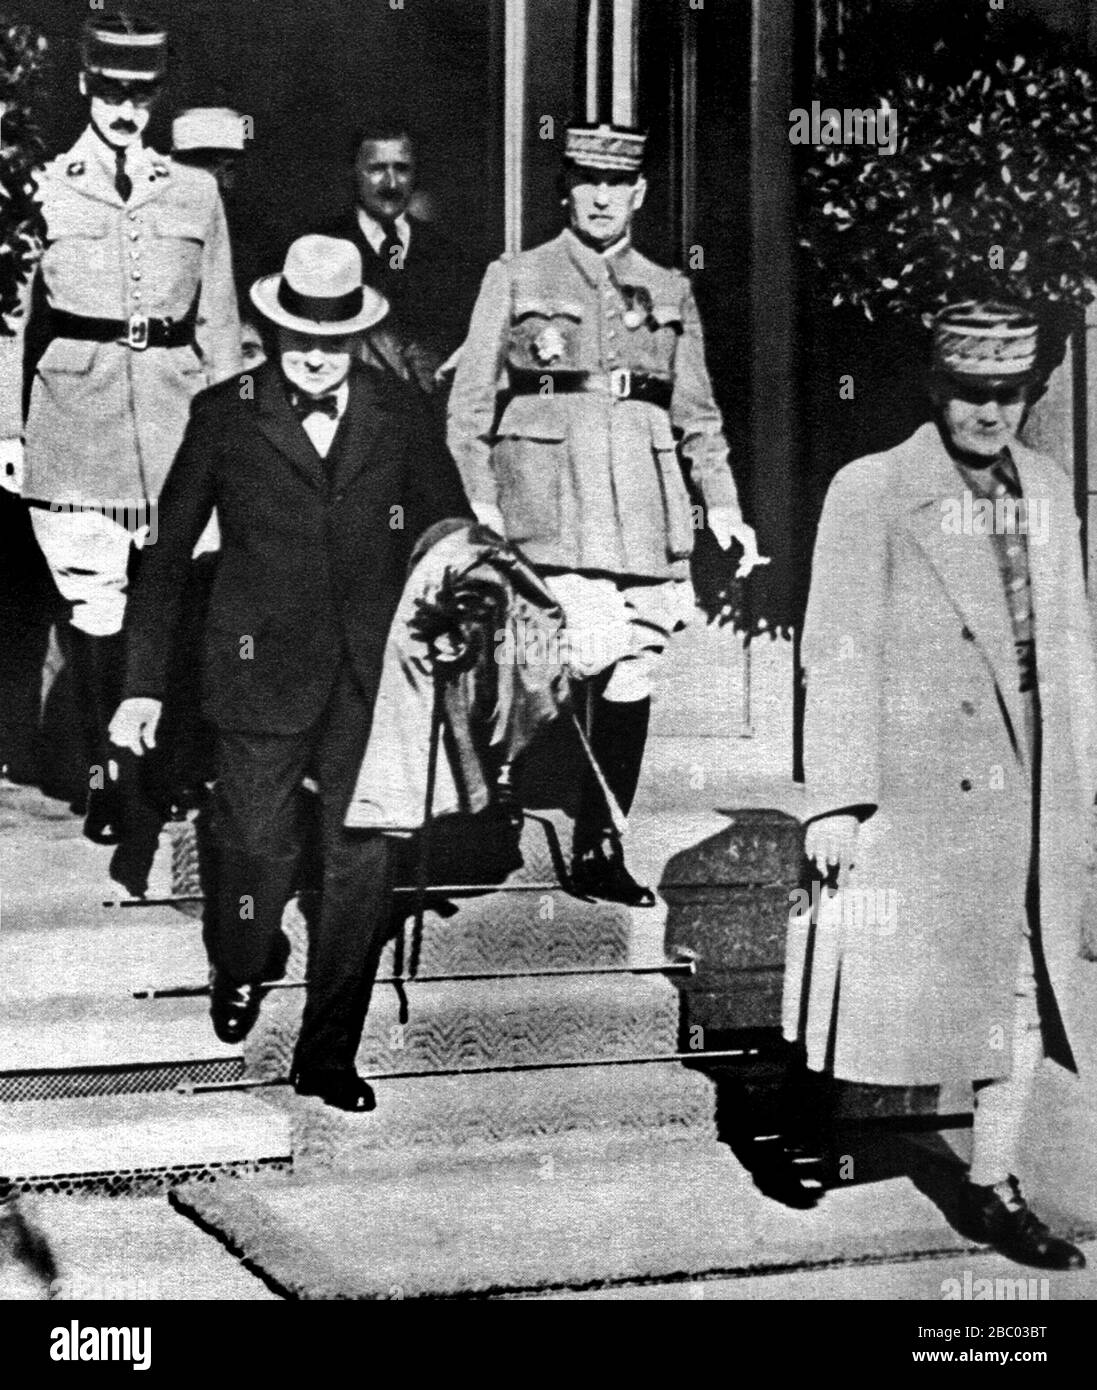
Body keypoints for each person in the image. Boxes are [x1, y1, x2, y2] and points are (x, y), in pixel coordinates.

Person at [110, 235, 470, 1112]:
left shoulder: (397, 409)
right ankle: (241, 959)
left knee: (360, 862)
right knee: (254, 843)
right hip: (254, 667)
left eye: (333, 335)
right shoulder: (225, 412)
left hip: (369, 673)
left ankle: (330, 1052)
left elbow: (448, 527)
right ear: (270, 330)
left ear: (357, 336)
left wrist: (457, 616)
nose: (314, 351)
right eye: (296, 332)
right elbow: (163, 556)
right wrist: (141, 685)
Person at [787, 302, 1097, 1269]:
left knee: (1019, 986)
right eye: (972, 393)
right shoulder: (872, 488)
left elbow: (1073, 651)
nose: (990, 414)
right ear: (936, 389)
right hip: (917, 783)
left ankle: (993, 1182)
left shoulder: (1046, 487)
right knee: (876, 974)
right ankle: (814, 1119)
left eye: (1010, 394)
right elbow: (835, 647)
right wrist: (837, 795)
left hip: (1031, 775)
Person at [447, 121, 764, 906]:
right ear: (566, 187)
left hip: (641, 504)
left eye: (615, 183)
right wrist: (480, 496)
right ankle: (495, 807)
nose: (599, 196)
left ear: (638, 194)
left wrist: (721, 503)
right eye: (585, 180)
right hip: (546, 498)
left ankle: (599, 838)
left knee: (631, 669)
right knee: (547, 658)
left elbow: (697, 413)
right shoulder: (516, 276)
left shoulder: (668, 288)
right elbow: (469, 407)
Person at [0, 11, 240, 875]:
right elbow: (7, 322)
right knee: (95, 600)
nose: (126, 108)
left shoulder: (195, 192)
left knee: (175, 593)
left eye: (141, 92)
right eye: (111, 90)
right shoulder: (39, 185)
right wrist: (5, 426)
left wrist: (236, 429)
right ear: (83, 88)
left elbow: (220, 318)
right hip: (78, 414)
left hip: (177, 413)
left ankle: (166, 760)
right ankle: (113, 772)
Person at [319, 124, 483, 396]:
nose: (391, 183)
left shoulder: (452, 257)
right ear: (354, 173)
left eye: (402, 169)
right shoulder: (324, 247)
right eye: (376, 169)